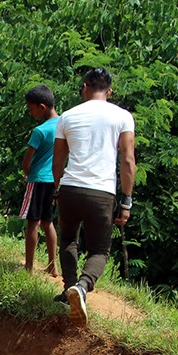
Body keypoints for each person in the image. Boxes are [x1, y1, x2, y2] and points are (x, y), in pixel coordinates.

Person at [52, 68, 136, 327]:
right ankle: (83, 286)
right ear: (109, 91)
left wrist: (56, 190)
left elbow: (58, 160)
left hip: (70, 188)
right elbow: (127, 159)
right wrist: (126, 200)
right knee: (99, 249)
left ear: (85, 87)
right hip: (102, 192)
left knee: (67, 239)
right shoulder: (122, 116)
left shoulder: (67, 116)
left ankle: (69, 288)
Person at [19, 85, 60, 276]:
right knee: (48, 222)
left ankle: (28, 266)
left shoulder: (39, 131)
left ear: (42, 107)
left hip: (36, 179)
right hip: (54, 180)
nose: (30, 112)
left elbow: (26, 162)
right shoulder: (63, 125)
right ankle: (53, 265)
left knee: (32, 223)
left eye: (31, 108)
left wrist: (27, 173)